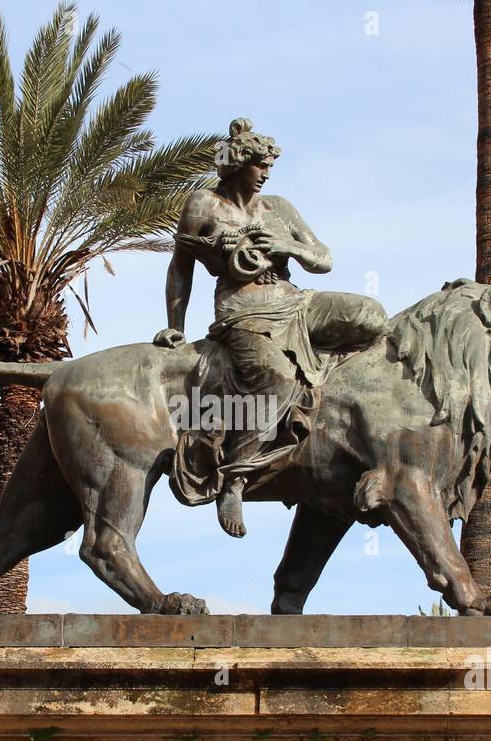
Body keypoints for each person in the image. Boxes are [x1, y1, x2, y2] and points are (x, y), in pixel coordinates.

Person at [156, 118, 387, 538]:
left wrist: (288, 248)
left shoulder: (279, 207)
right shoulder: (203, 205)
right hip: (243, 310)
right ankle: (236, 478)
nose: (265, 174)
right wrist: (175, 326)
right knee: (277, 378)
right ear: (238, 164)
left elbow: (323, 258)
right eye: (259, 165)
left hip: (295, 301)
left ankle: (329, 404)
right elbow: (180, 267)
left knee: (370, 315)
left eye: (269, 167)